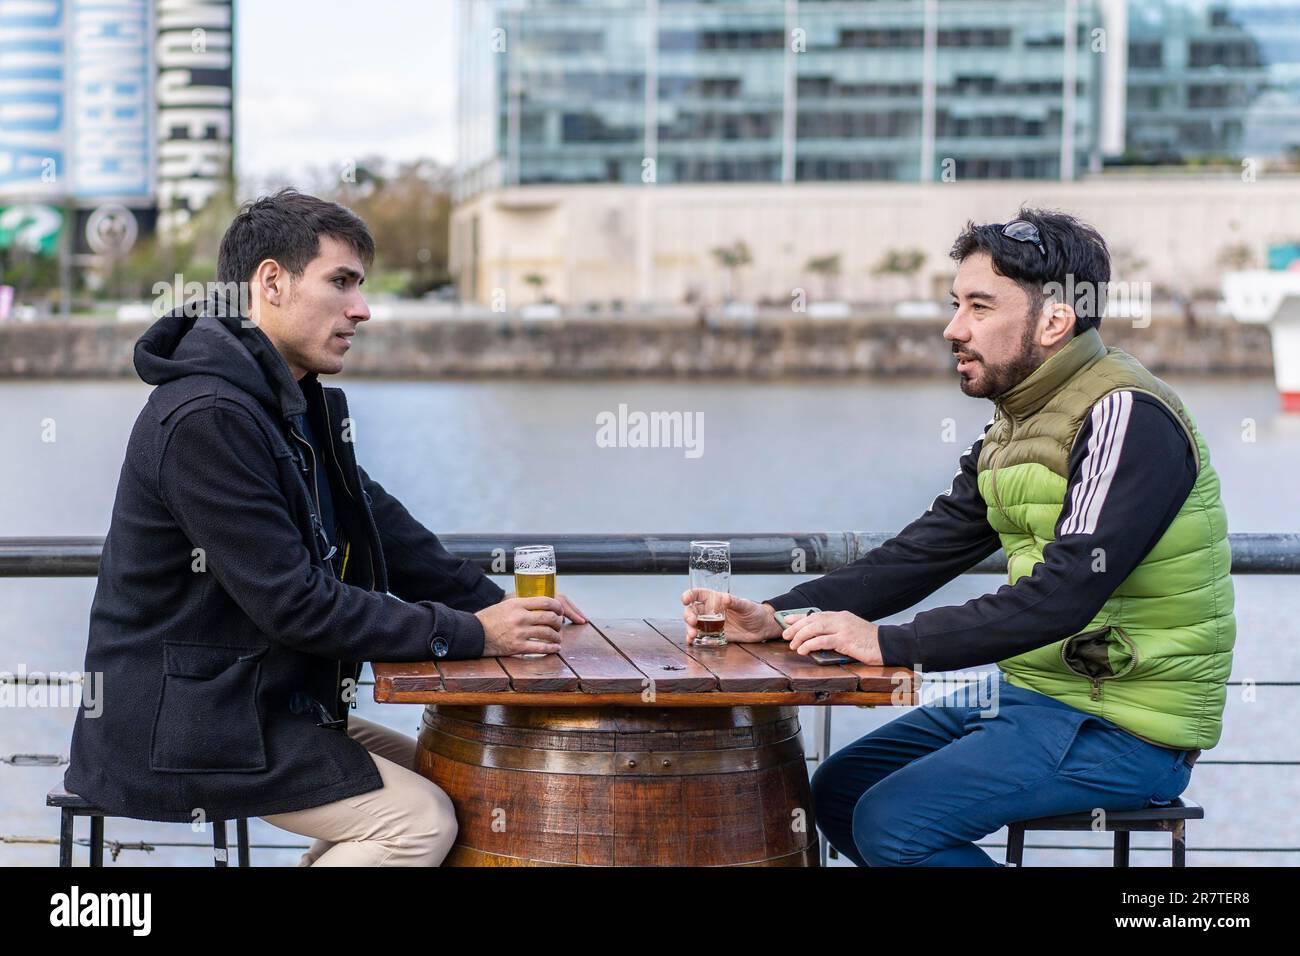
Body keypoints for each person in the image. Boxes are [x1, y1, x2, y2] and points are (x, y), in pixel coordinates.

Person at [682, 208, 1234, 866]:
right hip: (1036, 694)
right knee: (836, 794)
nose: (953, 328)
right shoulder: (1019, 420)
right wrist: (778, 615)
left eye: (978, 306)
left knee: (893, 824)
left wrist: (888, 642)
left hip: (1124, 721)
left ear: (1054, 320)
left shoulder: (1124, 415)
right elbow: (925, 551)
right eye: (954, 304)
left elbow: (1062, 597)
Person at [64, 188, 585, 866]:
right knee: (419, 822)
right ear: (271, 282)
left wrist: (499, 607)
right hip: (179, 727)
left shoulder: (287, 405)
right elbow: (296, 604)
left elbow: (381, 530)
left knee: (457, 782)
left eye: (360, 287)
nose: (361, 309)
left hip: (251, 706)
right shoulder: (206, 419)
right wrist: (472, 634)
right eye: (341, 283)